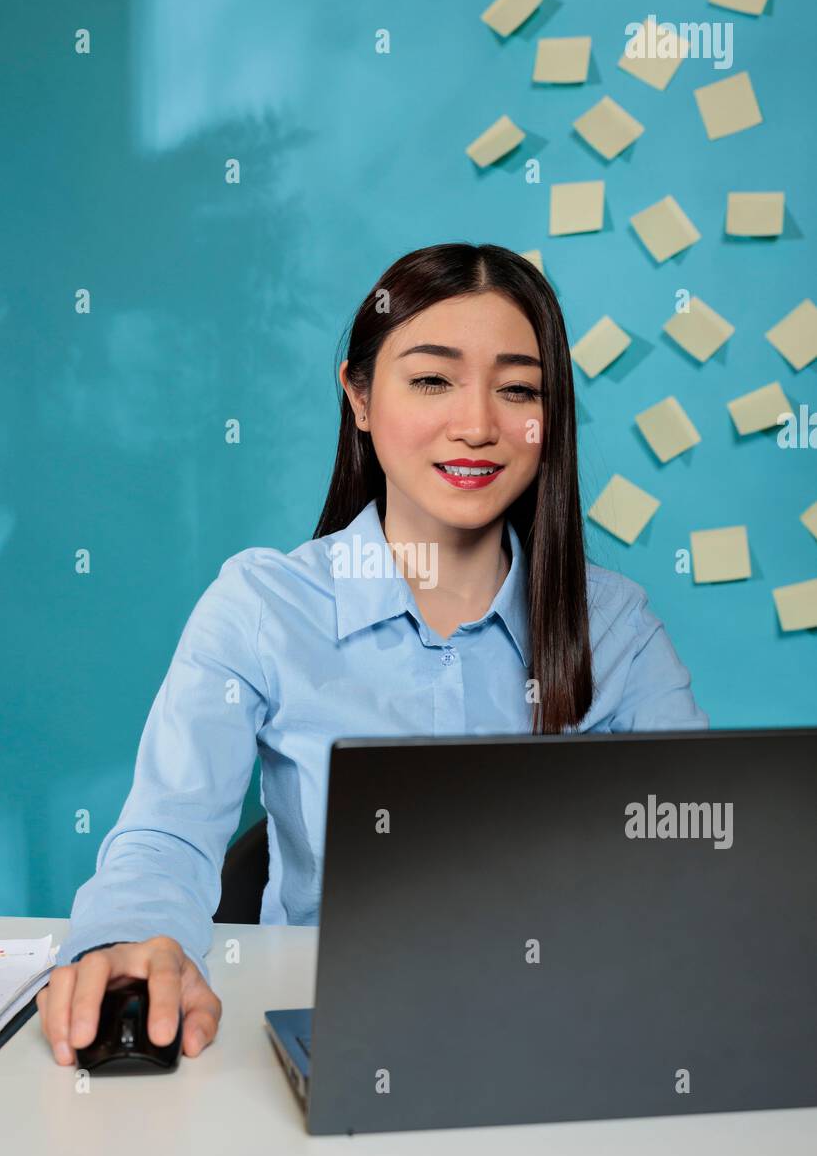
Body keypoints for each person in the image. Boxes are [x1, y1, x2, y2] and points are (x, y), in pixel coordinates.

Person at [37, 242, 709, 1066]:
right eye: (432, 380)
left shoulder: (616, 626)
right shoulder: (262, 607)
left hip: (561, 1036)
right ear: (358, 396)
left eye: (518, 388)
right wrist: (130, 944)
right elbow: (167, 836)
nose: (477, 425)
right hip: (335, 1039)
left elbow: (700, 847)